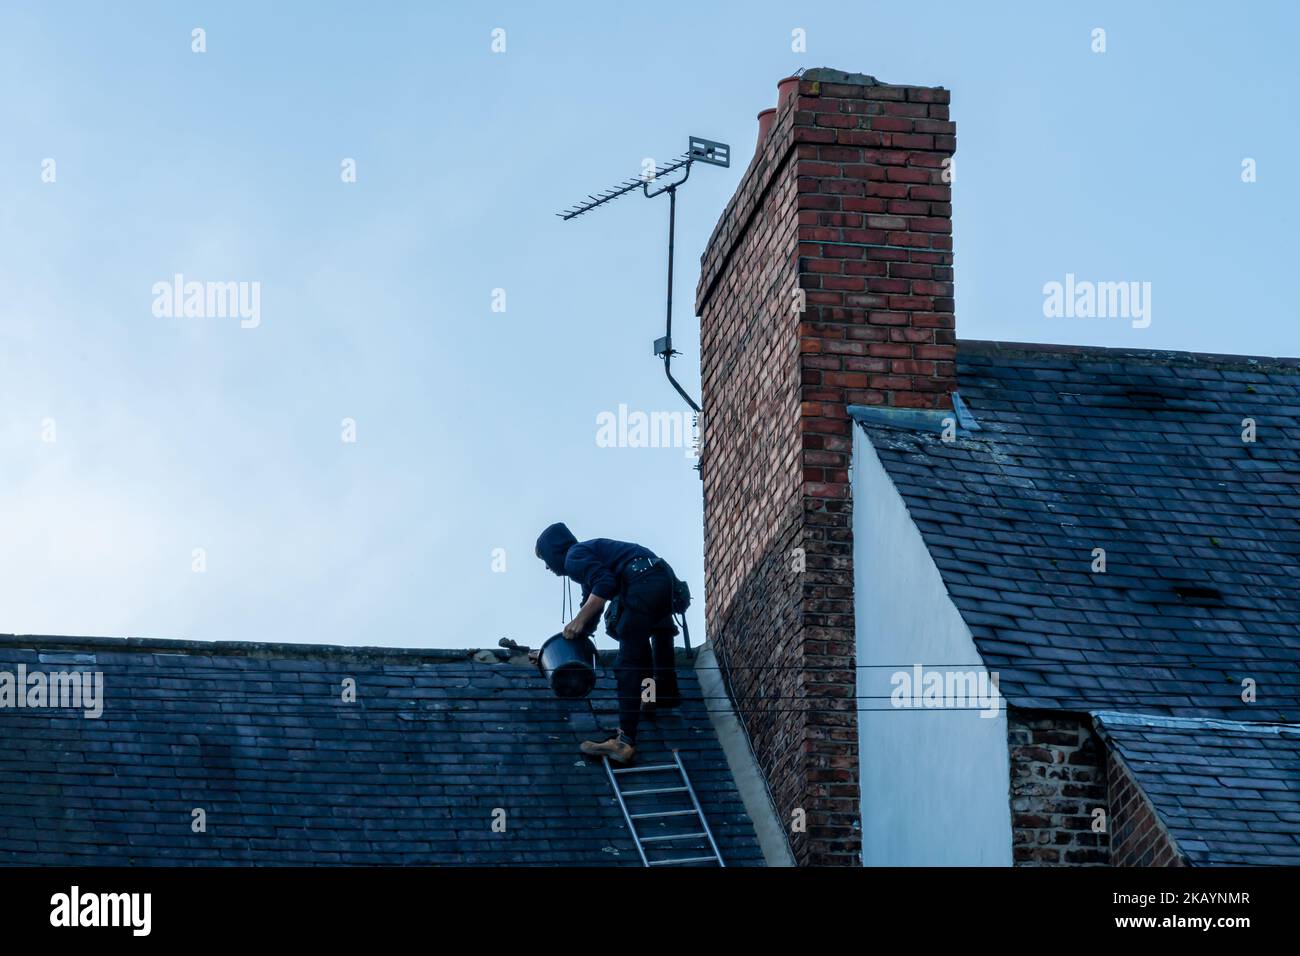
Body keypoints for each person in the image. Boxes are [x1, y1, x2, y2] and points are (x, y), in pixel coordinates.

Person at [535, 522, 681, 764]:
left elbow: (605, 585)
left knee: (627, 663)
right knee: (641, 641)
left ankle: (624, 743)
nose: (548, 568)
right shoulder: (589, 557)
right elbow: (591, 607)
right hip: (661, 581)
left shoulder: (574, 557)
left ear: (555, 551)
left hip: (642, 583)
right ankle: (657, 692)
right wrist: (575, 633)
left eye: (546, 560)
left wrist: (577, 622)